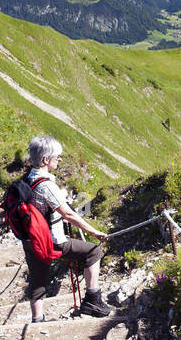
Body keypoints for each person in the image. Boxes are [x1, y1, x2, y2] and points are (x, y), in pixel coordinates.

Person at [19, 135, 112, 321]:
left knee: (38, 278)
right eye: (57, 157)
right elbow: (68, 214)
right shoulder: (46, 185)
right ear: (46, 160)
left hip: (30, 240)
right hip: (51, 241)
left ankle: (37, 320)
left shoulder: (26, 179)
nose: (59, 159)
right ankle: (93, 300)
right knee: (92, 252)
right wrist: (94, 232)